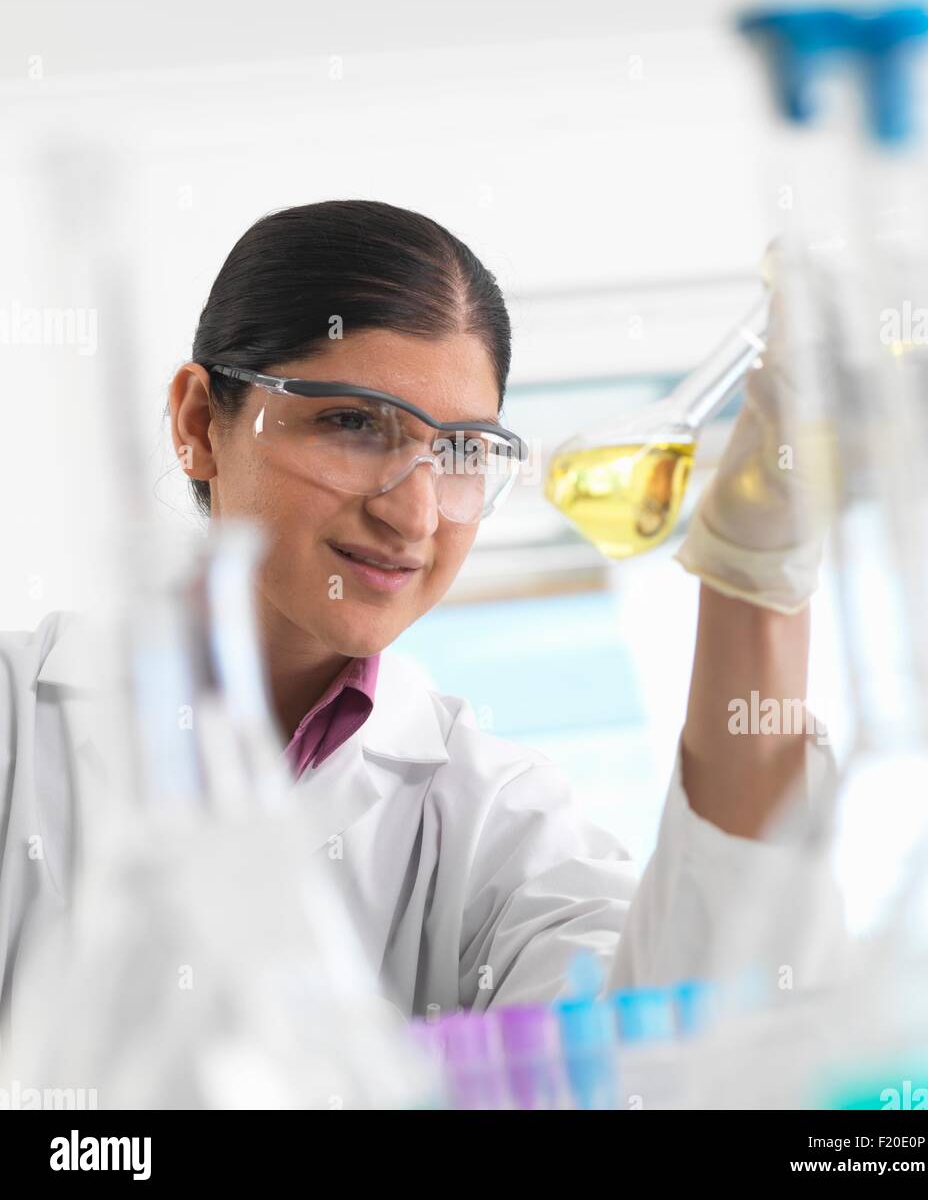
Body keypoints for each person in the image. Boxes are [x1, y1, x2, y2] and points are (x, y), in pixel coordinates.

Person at [0, 200, 833, 1024]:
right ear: (198, 425)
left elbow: (660, 1053)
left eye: (464, 451)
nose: (415, 517)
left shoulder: (493, 819)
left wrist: (752, 593)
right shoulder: (17, 723)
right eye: (354, 424)